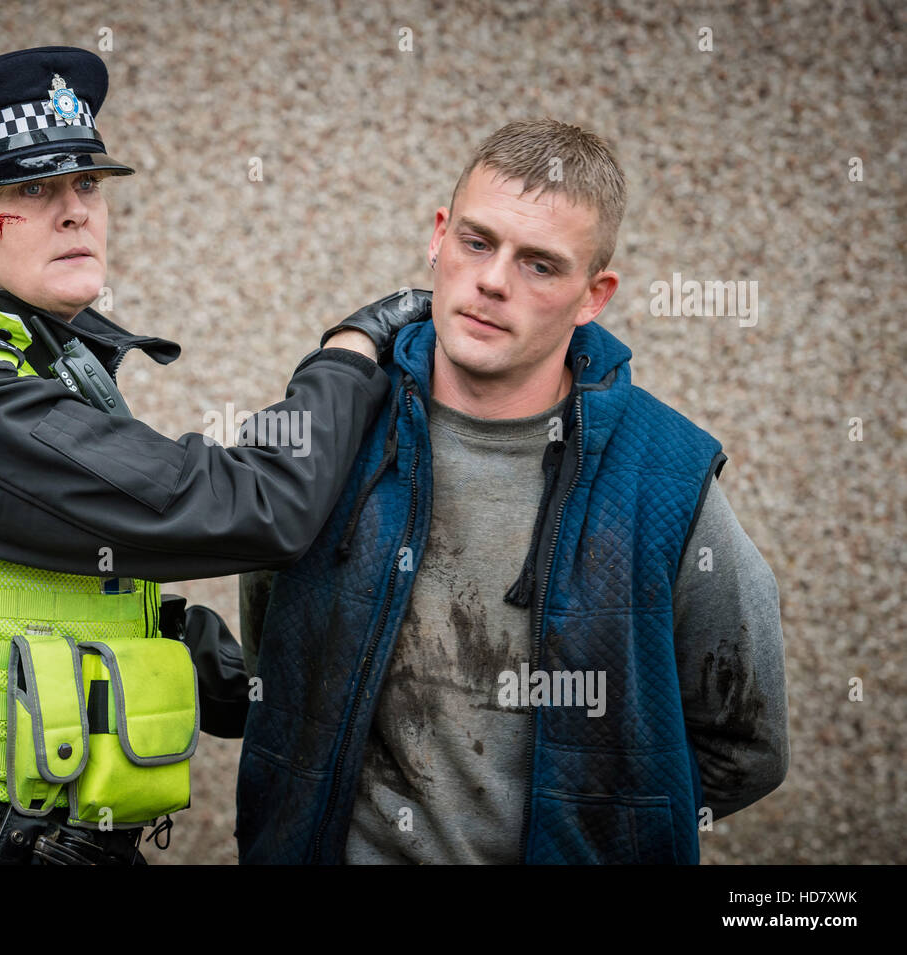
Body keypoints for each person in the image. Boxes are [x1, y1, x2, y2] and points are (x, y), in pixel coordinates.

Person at [0, 46, 426, 865]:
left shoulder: (3, 366)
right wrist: (348, 355)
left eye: (86, 184)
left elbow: (24, 591)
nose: (74, 211)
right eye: (29, 189)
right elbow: (253, 505)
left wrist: (188, 659)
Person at [237, 118, 790, 865]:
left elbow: (744, 744)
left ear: (594, 295)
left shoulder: (666, 478)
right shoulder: (329, 445)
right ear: (439, 235)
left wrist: (609, 833)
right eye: (477, 241)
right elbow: (278, 665)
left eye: (539, 264)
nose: (493, 280)